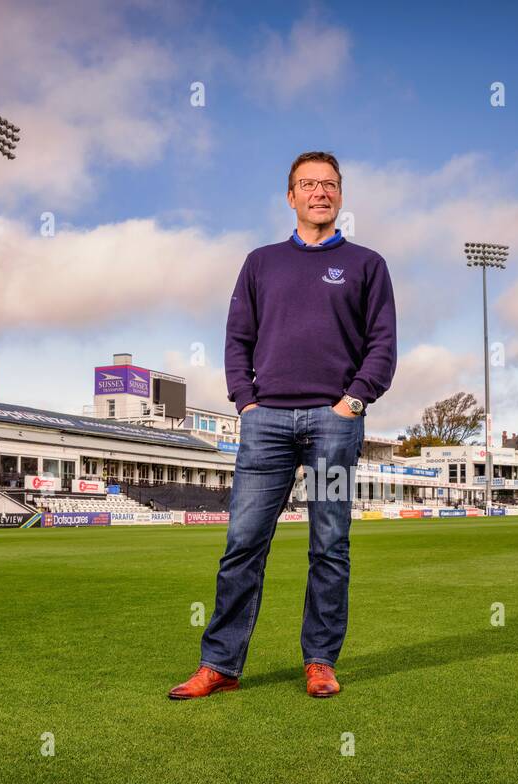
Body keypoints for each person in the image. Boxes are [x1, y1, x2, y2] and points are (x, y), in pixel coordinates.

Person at [168, 151, 397, 700]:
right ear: (290, 195)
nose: (320, 192)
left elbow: (382, 345)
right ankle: (220, 665)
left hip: (334, 426)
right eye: (308, 184)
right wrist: (246, 403)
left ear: (340, 196)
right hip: (265, 421)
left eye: (330, 184)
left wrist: (353, 403)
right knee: (243, 542)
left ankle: (320, 661)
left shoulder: (367, 263)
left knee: (329, 545)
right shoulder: (260, 262)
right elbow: (236, 340)